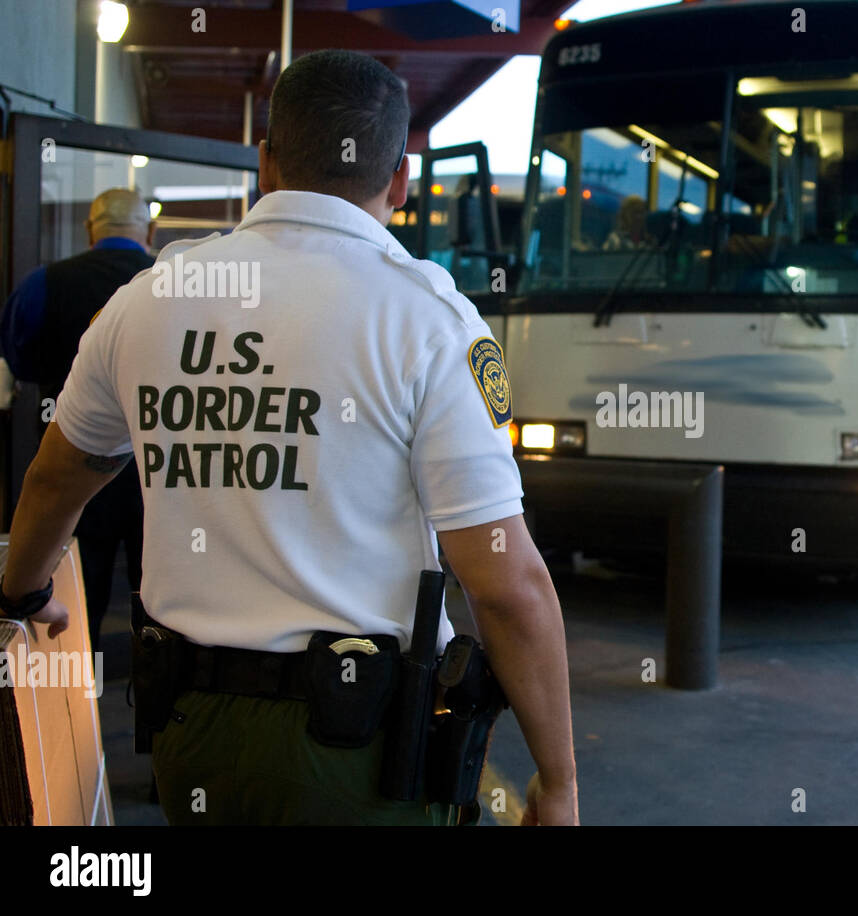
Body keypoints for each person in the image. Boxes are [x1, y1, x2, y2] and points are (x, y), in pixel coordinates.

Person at [0, 49, 578, 826]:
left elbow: (55, 478)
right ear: (400, 179)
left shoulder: (151, 301)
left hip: (189, 735)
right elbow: (507, 584)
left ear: (266, 162)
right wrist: (558, 781)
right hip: (358, 754)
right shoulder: (428, 322)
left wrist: (23, 591)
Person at [0, 189, 153, 650]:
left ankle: (80, 686)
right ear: (148, 232)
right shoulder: (170, 285)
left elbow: (19, 360)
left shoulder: (44, 283)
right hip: (156, 475)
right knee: (157, 603)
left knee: (80, 595)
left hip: (74, 467)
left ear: (91, 231)